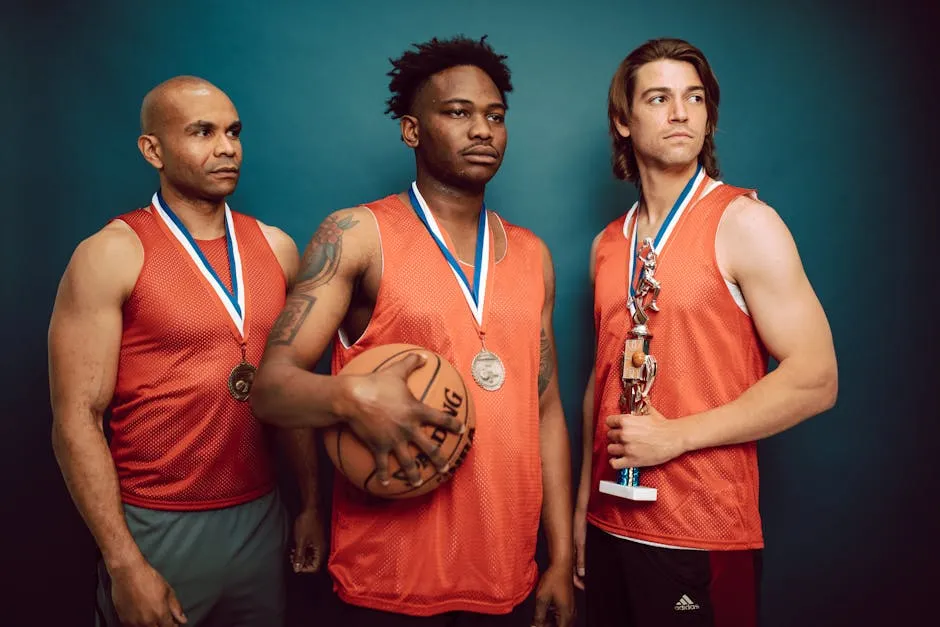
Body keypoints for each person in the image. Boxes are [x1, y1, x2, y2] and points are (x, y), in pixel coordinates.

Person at [251, 36, 574, 627]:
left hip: (508, 572)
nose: (483, 129)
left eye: (495, 116)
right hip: (389, 574)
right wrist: (348, 394)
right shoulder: (356, 234)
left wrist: (561, 558)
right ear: (411, 130)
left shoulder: (532, 254)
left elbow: (546, 410)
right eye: (458, 112)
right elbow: (271, 389)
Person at [573, 38, 838, 627]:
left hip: (701, 529)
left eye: (694, 98)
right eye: (659, 98)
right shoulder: (607, 245)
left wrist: (678, 437)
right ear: (623, 120)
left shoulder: (746, 224)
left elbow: (816, 379)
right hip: (609, 526)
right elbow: (604, 379)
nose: (680, 113)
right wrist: (579, 518)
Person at [49, 76, 323, 627]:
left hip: (260, 515)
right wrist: (125, 564)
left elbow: (286, 392)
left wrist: (312, 504)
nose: (226, 148)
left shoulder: (275, 248)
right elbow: (77, 419)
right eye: (203, 132)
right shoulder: (112, 253)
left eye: (233, 132)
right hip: (158, 523)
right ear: (154, 149)